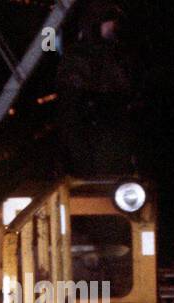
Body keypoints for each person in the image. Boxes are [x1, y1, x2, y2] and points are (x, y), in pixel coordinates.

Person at [57, 2, 138, 176]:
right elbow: (71, 111)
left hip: (114, 137)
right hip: (94, 141)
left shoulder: (116, 54)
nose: (114, 27)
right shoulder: (79, 57)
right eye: (110, 22)